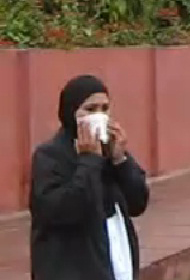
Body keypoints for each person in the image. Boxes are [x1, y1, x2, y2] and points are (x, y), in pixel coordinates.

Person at [30, 74, 150, 280]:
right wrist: (89, 160)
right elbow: (64, 210)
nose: (99, 115)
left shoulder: (109, 152)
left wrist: (121, 160)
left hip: (114, 258)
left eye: (105, 108)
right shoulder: (50, 156)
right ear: (71, 112)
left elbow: (138, 203)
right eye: (90, 109)